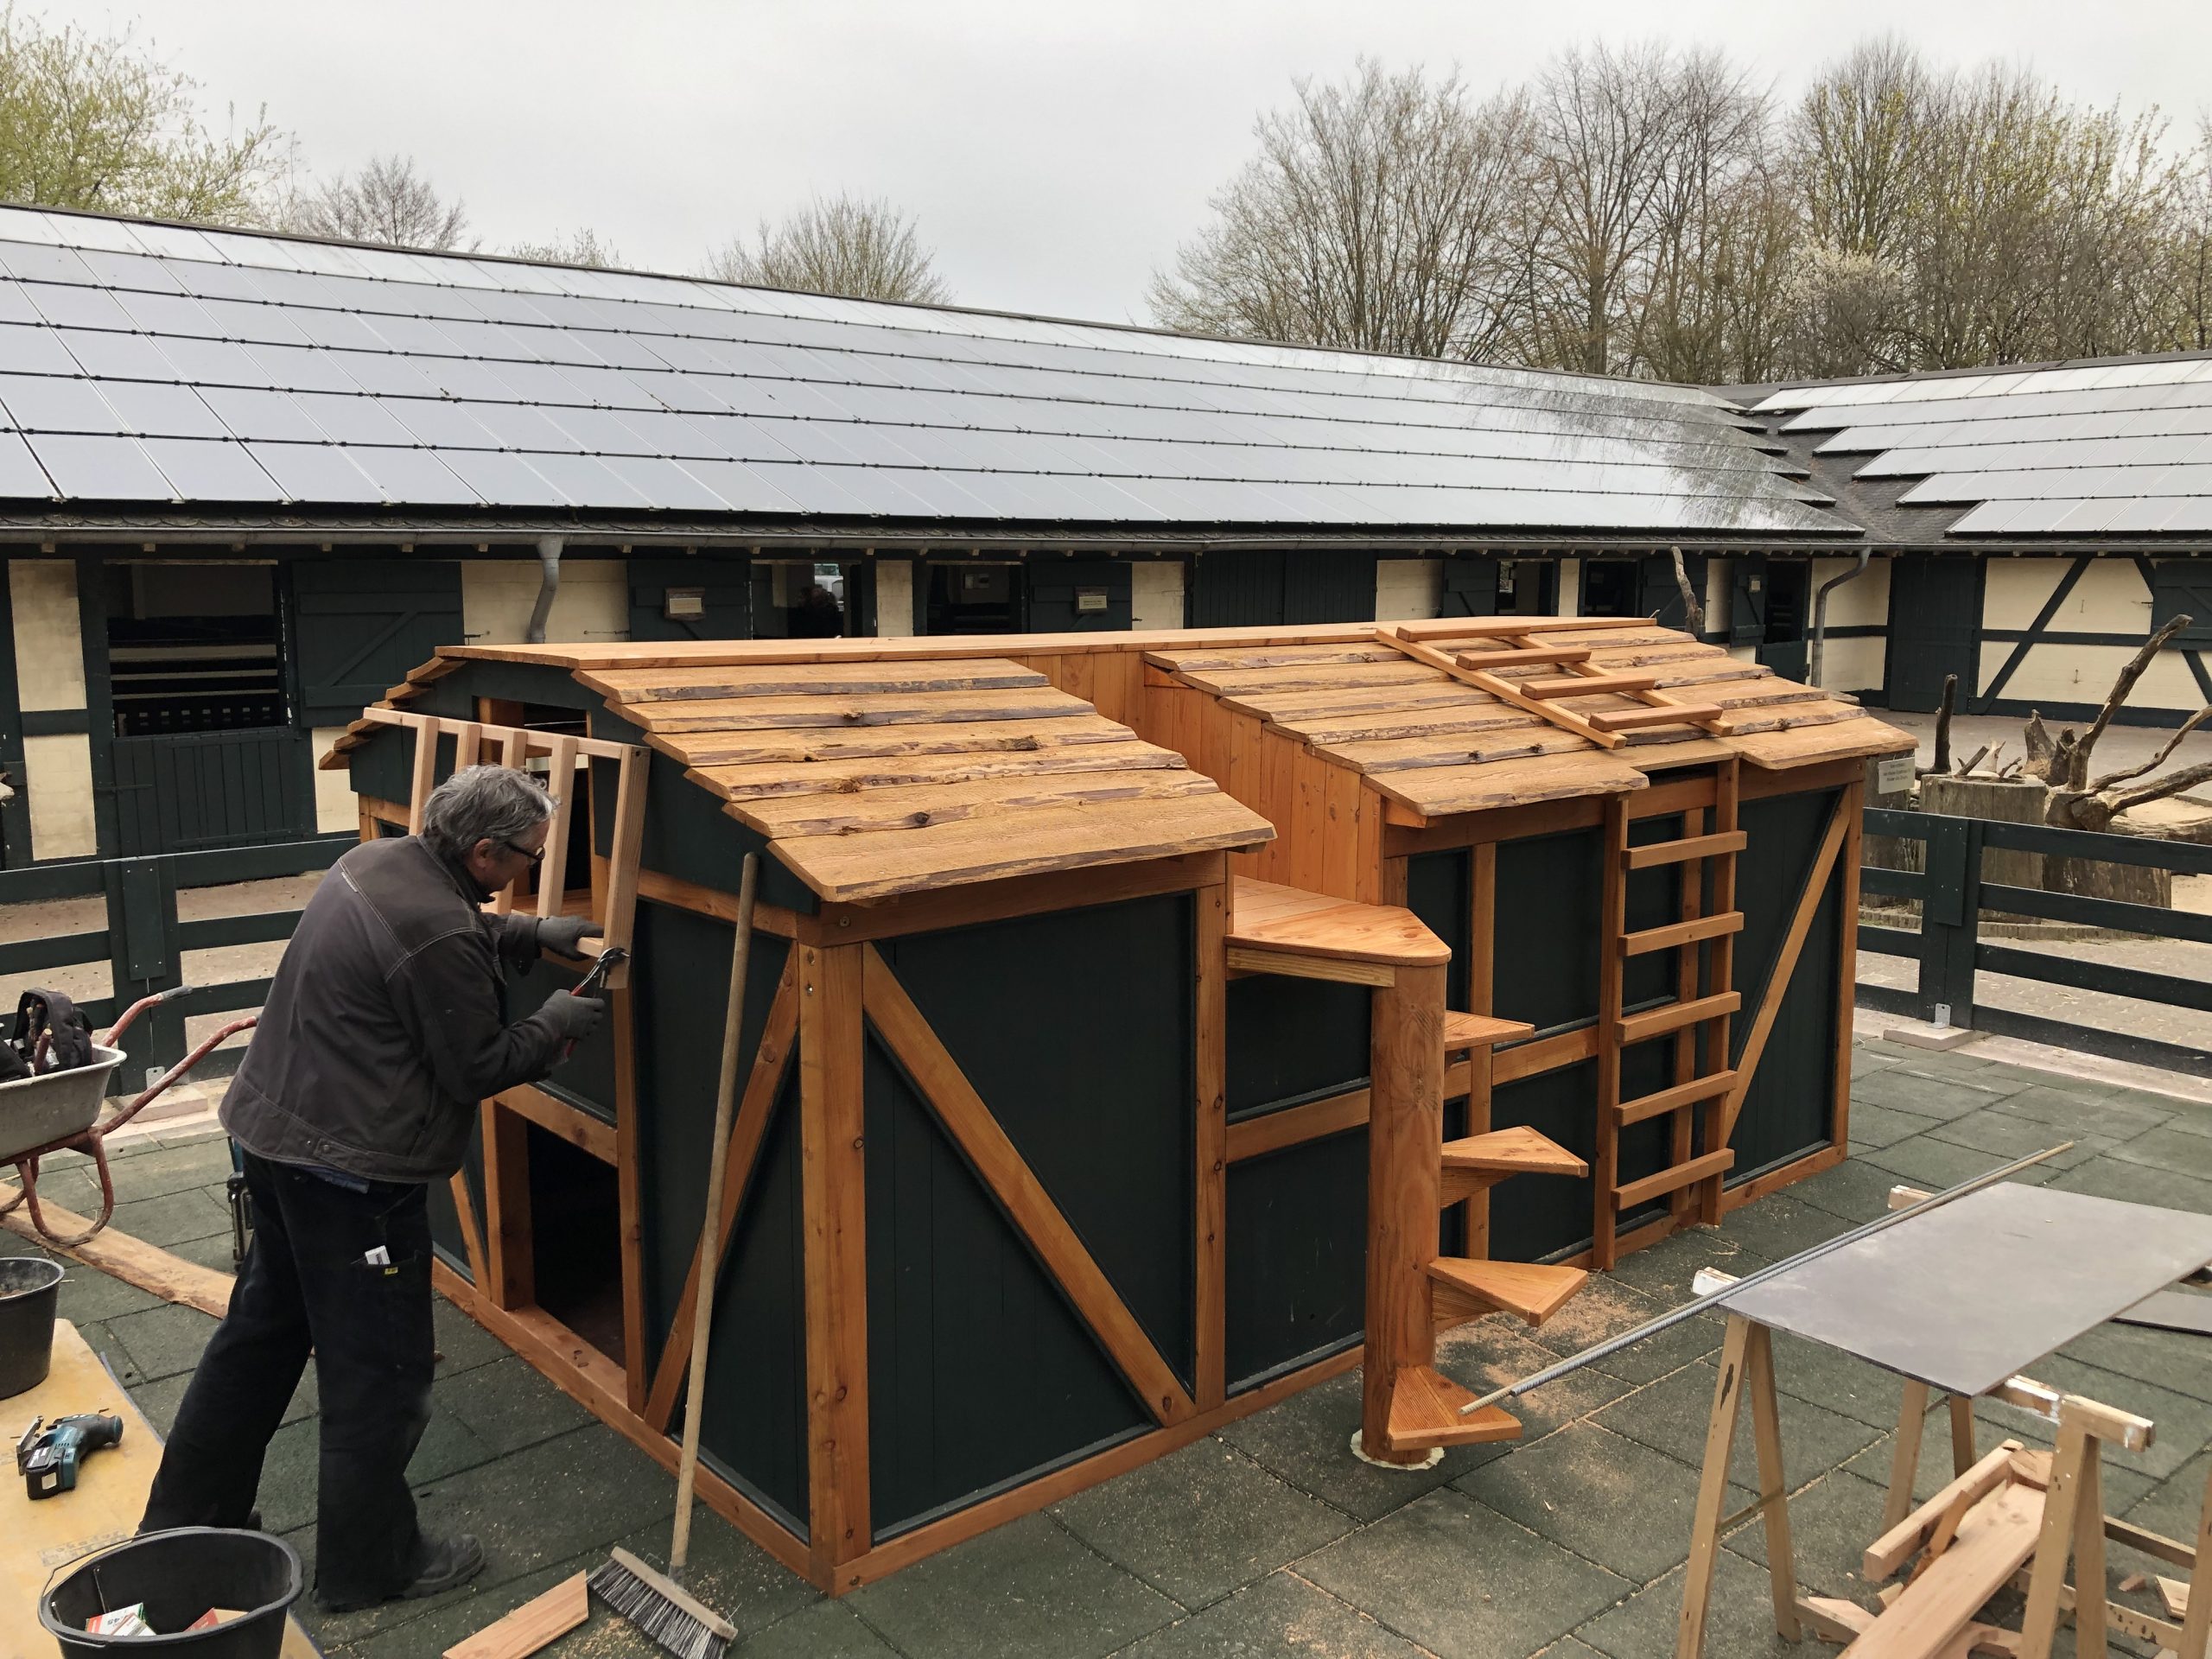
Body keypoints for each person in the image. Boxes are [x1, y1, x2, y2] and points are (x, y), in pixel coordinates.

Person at [141, 765, 608, 1611]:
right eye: (525, 861)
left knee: (259, 1340)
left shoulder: (376, 863)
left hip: (276, 1143)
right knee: (380, 1375)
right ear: (481, 848)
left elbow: (440, 931)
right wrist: (554, 1024)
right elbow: (474, 1065)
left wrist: (531, 931)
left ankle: (189, 1521)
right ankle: (371, 1565)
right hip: (351, 1179)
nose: (526, 872)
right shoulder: (436, 929)